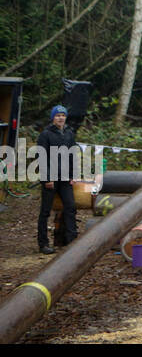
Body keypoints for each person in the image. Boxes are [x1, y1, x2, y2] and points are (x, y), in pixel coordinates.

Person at [36, 106, 79, 254]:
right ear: (53, 118)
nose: (60, 118)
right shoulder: (45, 135)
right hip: (50, 178)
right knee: (46, 211)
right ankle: (43, 244)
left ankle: (72, 240)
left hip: (65, 178)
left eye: (63, 115)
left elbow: (73, 154)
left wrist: (73, 174)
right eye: (58, 115)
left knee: (71, 207)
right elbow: (41, 158)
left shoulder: (69, 133)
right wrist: (47, 178)